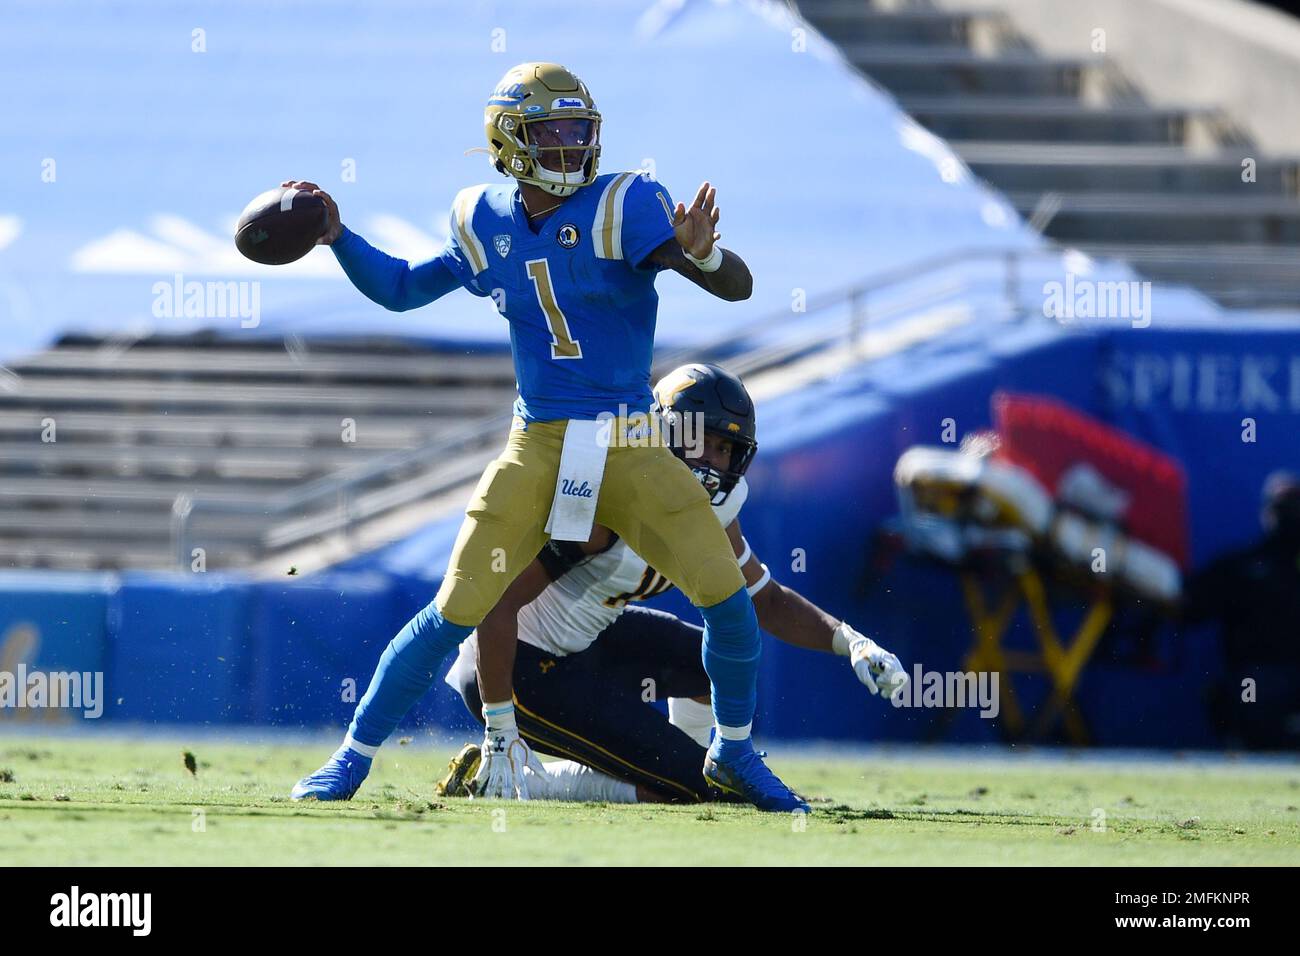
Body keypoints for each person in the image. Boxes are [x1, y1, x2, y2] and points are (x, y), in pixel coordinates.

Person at [289, 62, 805, 810]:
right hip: (540, 441)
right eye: (552, 133)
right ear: (509, 141)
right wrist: (337, 236)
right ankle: (351, 759)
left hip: (629, 439)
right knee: (454, 608)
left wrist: (702, 254)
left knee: (726, 600)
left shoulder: (624, 204)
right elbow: (401, 288)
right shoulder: (485, 219)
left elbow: (734, 286)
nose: (569, 148)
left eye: (578, 132)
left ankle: (733, 752)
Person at [435, 363, 909, 803]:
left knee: (716, 667)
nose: (719, 463)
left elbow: (766, 601)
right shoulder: (608, 500)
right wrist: (500, 728)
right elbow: (496, 602)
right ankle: (528, 783)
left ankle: (692, 763)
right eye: (709, 442)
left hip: (585, 644)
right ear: (669, 432)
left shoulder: (713, 513)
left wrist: (852, 643)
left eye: (728, 449)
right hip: (515, 666)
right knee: (692, 789)